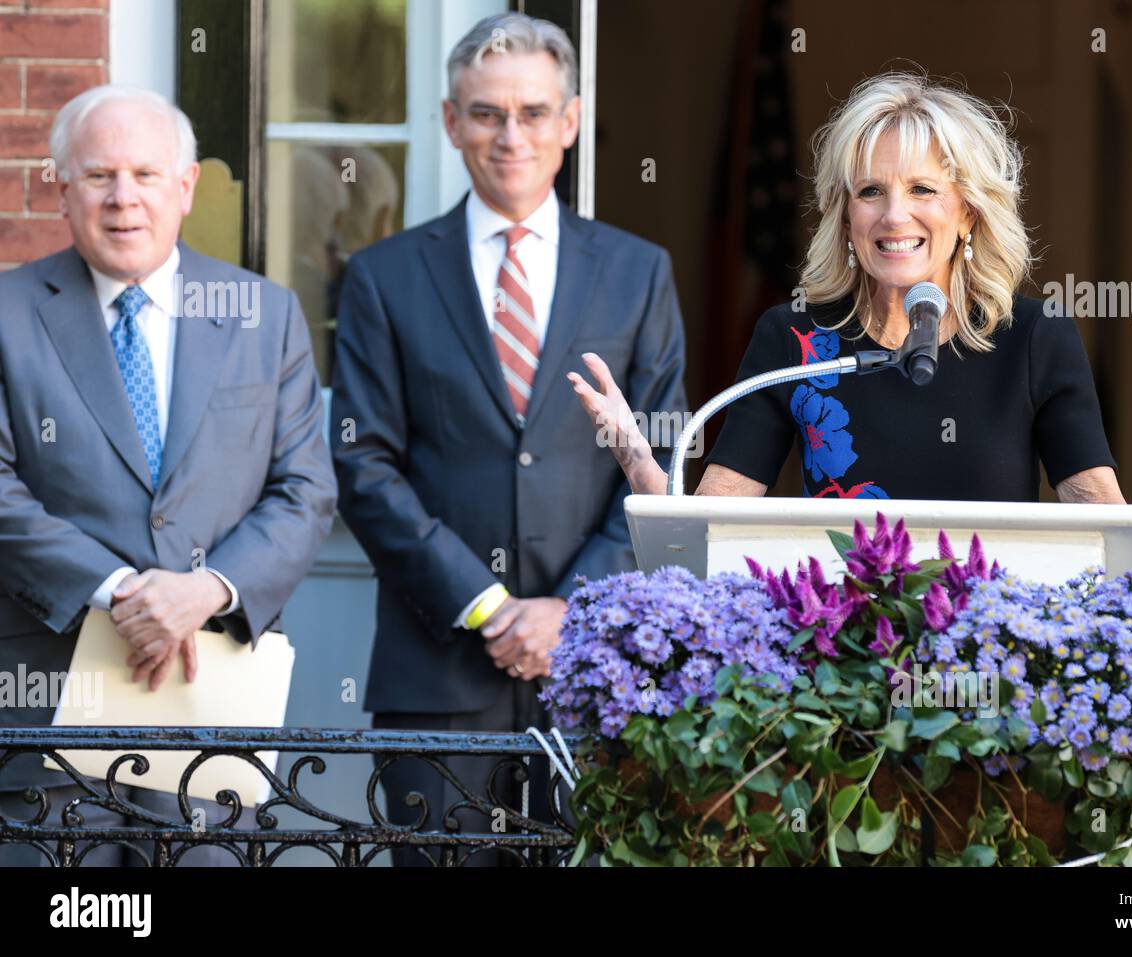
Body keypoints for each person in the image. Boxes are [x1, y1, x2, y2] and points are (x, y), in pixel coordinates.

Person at [330, 12, 687, 865]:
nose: (510, 134)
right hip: (437, 674)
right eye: (486, 112)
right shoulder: (384, 277)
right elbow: (363, 464)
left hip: (601, 672)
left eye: (533, 112)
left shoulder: (639, 273)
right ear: (451, 122)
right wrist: (490, 607)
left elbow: (664, 458)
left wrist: (570, 610)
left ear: (569, 122)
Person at [570, 72, 1132, 504]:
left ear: (967, 213)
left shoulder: (1036, 338)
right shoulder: (794, 337)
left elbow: (1106, 545)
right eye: (871, 191)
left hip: (988, 687)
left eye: (924, 189)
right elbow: (709, 535)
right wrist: (638, 461)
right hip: (831, 691)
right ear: (845, 217)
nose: (895, 215)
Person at [0, 85, 337, 865]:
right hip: (47, 716)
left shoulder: (264, 313)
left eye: (147, 175)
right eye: (99, 175)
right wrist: (118, 588)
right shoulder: (10, 312)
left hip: (210, 713)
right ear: (60, 188)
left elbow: (305, 488)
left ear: (185, 188)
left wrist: (207, 588)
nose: (124, 199)